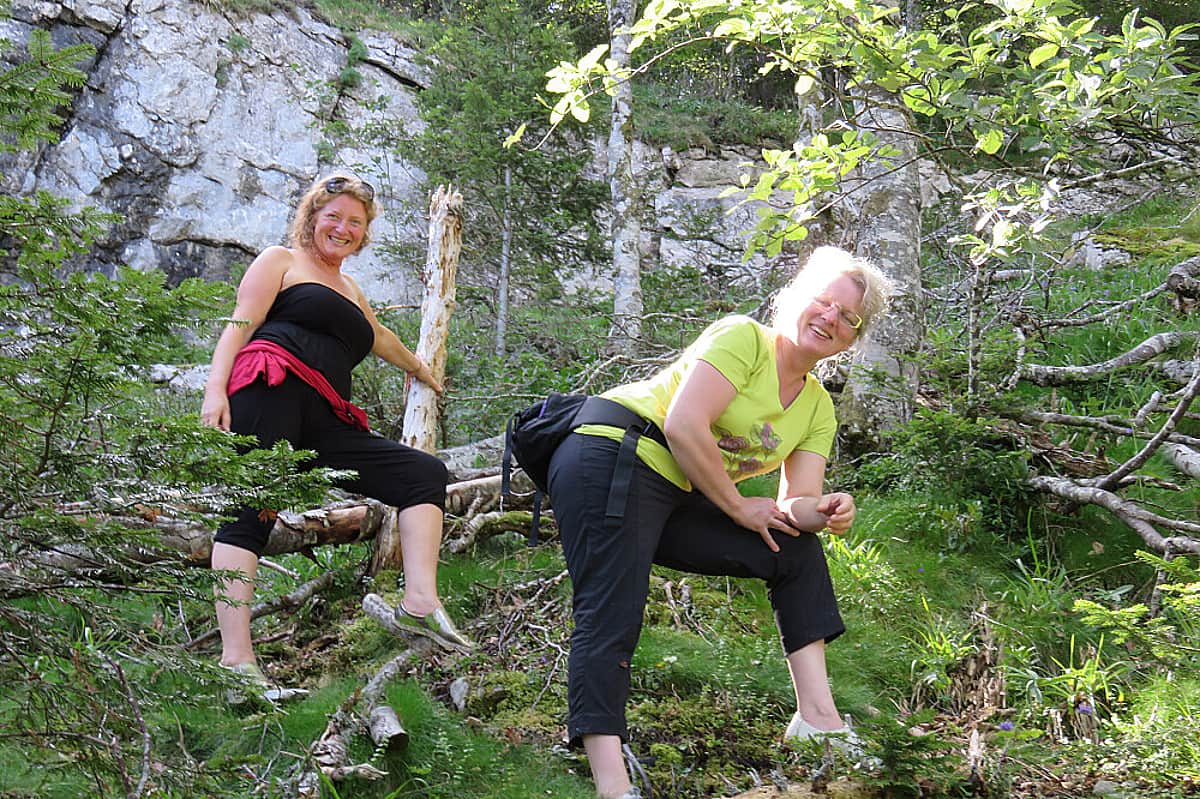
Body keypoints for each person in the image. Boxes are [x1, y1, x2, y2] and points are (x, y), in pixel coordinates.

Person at [547, 245, 893, 798]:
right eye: (823, 302)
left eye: (849, 317)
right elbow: (685, 425)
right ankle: (613, 787)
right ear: (794, 299)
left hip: (678, 489)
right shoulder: (744, 338)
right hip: (613, 453)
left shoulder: (817, 407)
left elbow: (794, 505)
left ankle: (818, 720)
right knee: (613, 606)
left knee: (794, 550)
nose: (831, 319)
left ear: (855, 338)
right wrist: (736, 505)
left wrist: (823, 511)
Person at [200, 173, 472, 698]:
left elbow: (380, 337)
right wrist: (216, 392)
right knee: (251, 513)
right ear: (312, 217)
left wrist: (421, 368)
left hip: (326, 415)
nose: (342, 228)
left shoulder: (349, 288)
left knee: (423, 475)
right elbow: (239, 324)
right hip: (269, 387)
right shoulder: (280, 261)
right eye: (334, 217)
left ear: (364, 233)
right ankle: (236, 664)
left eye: (355, 222)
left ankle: (419, 603)